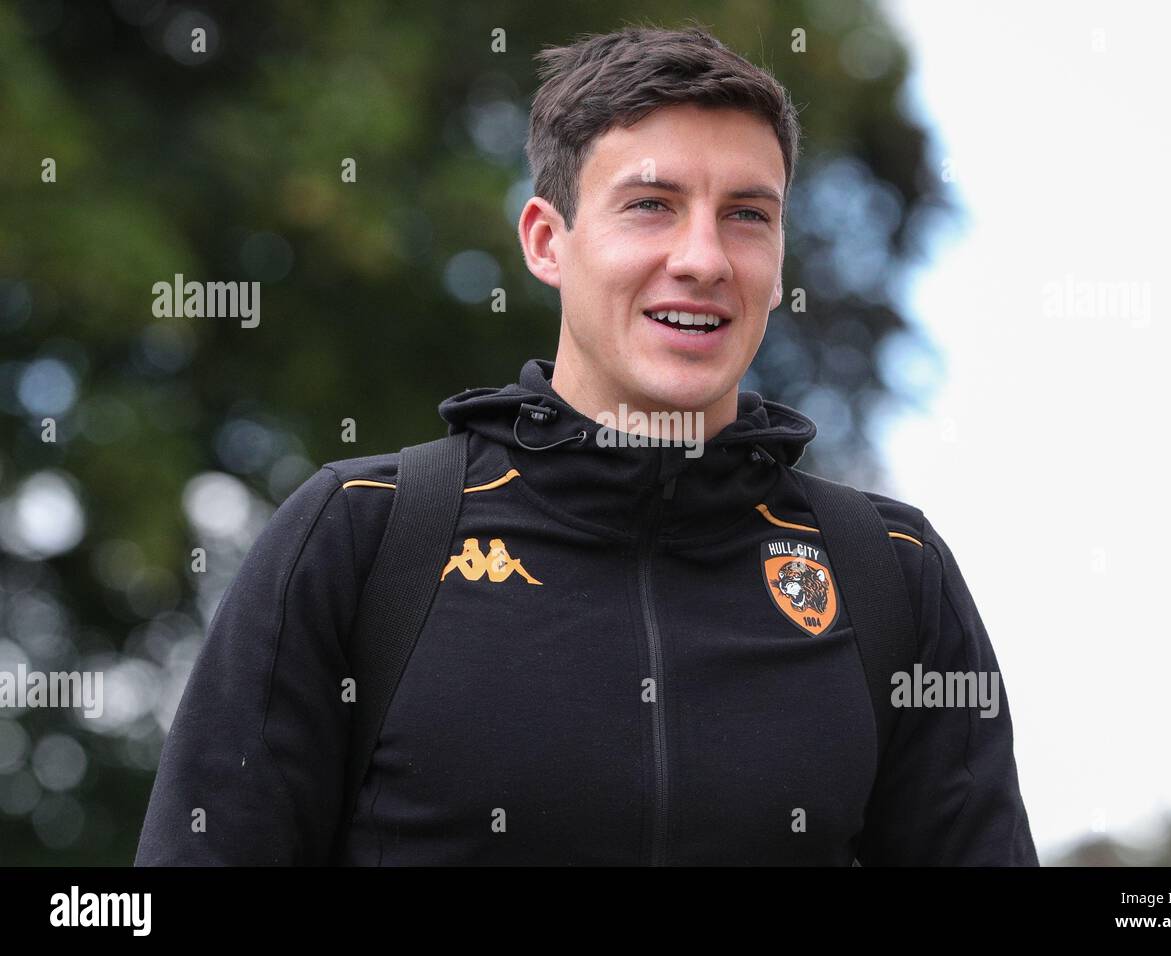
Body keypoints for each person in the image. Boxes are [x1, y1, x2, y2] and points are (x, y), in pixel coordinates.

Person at [135, 23, 1038, 866]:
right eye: (650, 205)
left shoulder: (890, 573)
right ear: (546, 241)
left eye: (748, 215)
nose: (703, 259)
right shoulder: (363, 540)